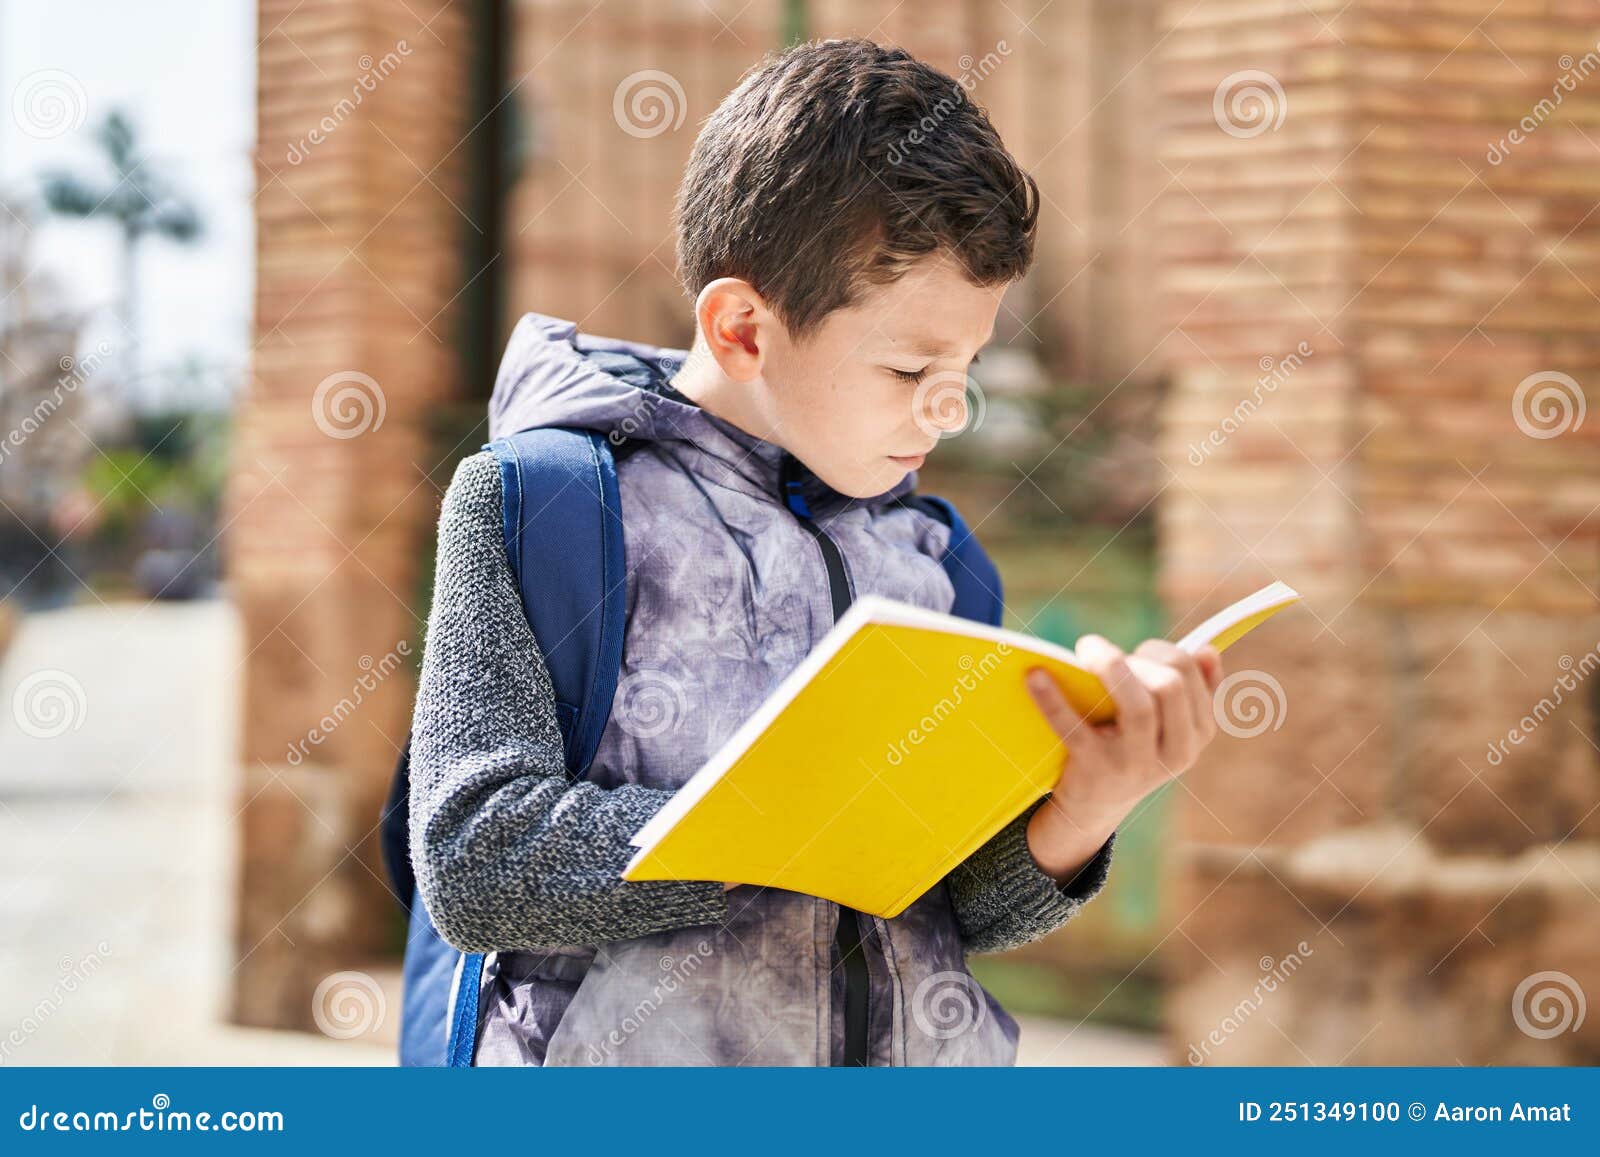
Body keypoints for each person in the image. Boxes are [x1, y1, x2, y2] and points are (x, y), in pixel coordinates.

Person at [408, 37, 1224, 1067]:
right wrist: (782, 825)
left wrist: (1085, 806)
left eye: (967, 363)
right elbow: (474, 858)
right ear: (744, 326)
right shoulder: (544, 505)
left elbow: (952, 908)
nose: (949, 406)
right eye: (909, 366)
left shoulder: (938, 559)